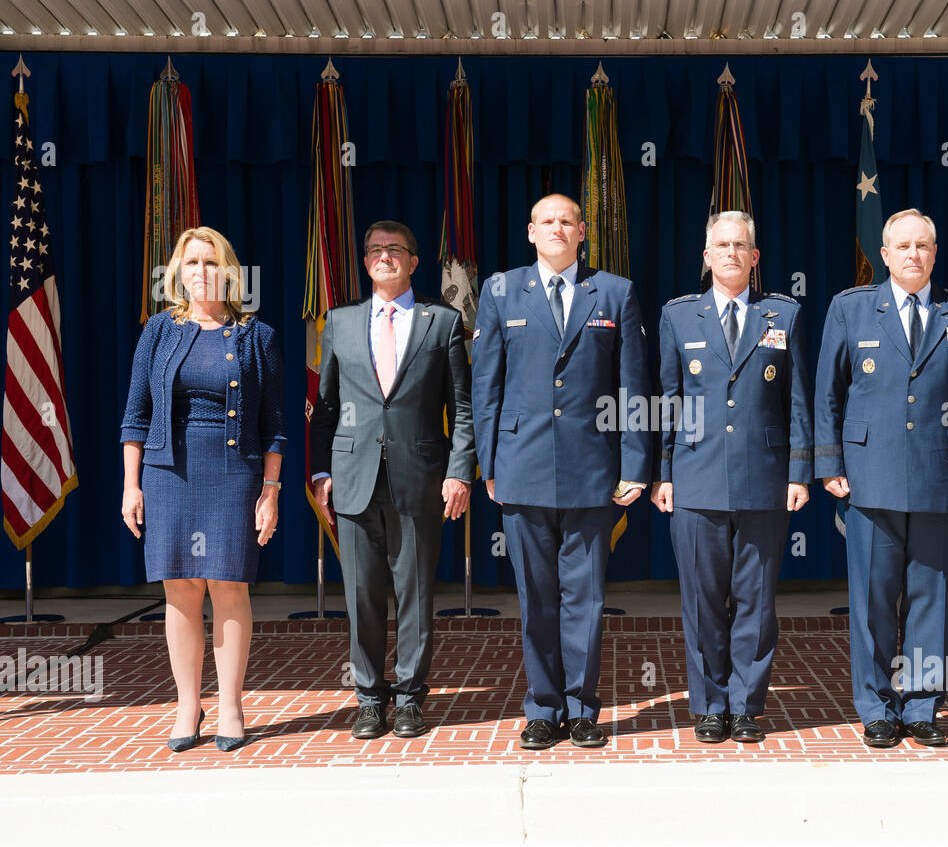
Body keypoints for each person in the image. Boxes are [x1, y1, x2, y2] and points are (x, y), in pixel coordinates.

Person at [472, 194, 652, 750]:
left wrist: (636, 463)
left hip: (593, 471)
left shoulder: (615, 292)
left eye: (566, 221)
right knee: (536, 598)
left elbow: (633, 387)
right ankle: (542, 708)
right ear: (531, 231)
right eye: (546, 221)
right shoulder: (501, 291)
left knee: (586, 598)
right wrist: (489, 460)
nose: (556, 228)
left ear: (582, 232)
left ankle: (582, 708)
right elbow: (487, 386)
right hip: (521, 466)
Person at [815, 208, 948, 748]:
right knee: (872, 599)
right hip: (869, 477)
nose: (913, 254)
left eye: (923, 246)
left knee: (931, 598)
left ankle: (921, 706)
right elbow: (828, 393)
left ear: (934, 254)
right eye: (903, 246)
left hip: (941, 474)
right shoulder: (851, 309)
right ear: (884, 254)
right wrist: (830, 465)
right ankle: (875, 707)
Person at [121, 226, 286, 753]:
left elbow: (275, 425)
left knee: (228, 586)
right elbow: (135, 417)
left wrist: (271, 490)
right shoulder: (157, 332)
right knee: (180, 588)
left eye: (211, 262)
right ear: (177, 273)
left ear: (229, 272)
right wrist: (132, 485)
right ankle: (188, 703)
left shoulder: (257, 335)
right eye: (192, 263)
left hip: (234, 470)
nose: (201, 272)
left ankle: (232, 705)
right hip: (167, 471)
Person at [310, 220, 476, 741]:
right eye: (375, 250)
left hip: (421, 479)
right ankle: (367, 698)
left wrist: (459, 472)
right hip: (354, 477)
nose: (384, 257)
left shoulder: (443, 322)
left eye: (395, 250)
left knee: (416, 594)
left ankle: (409, 698)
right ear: (365, 262)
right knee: (361, 596)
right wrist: (320, 471)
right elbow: (327, 406)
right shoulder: (339, 321)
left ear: (413, 261)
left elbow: (463, 408)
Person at [651, 211, 812, 743]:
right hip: (695, 480)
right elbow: (668, 401)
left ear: (755, 257)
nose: (731, 253)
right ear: (706, 256)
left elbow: (798, 403)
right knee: (701, 601)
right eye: (721, 245)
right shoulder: (679, 317)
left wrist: (799, 473)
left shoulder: (782, 316)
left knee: (757, 600)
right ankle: (709, 705)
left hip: (764, 480)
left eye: (741, 245)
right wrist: (663, 472)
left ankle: (746, 704)